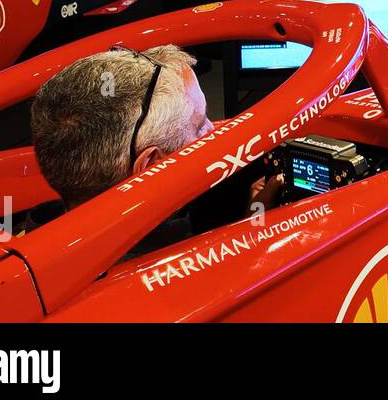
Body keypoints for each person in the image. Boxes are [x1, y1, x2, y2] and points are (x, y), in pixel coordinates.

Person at [26, 44, 279, 254]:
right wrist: (250, 240)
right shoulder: (183, 286)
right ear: (150, 167)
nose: (214, 131)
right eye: (200, 124)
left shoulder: (33, 236)